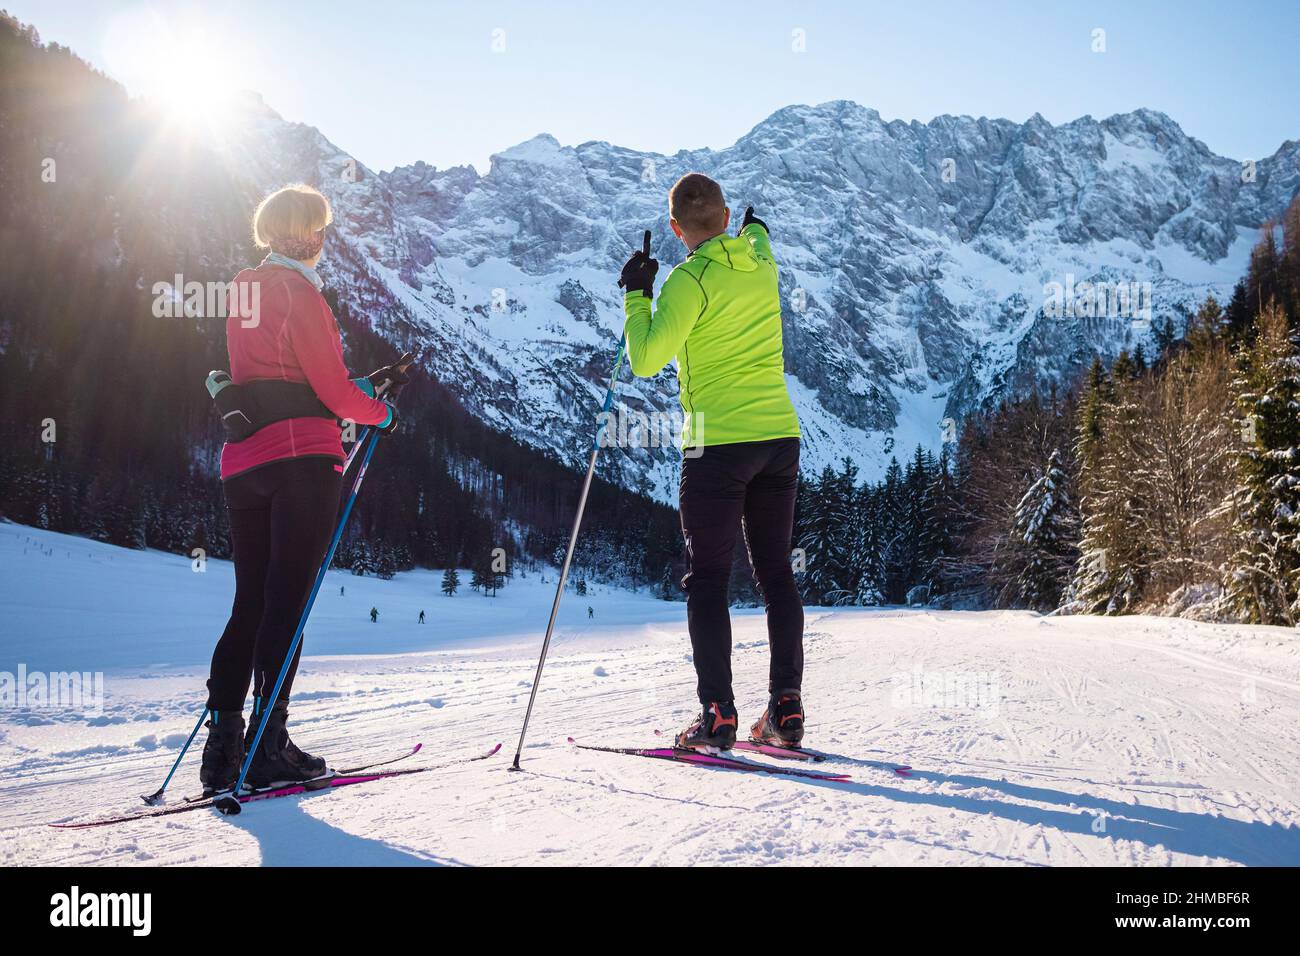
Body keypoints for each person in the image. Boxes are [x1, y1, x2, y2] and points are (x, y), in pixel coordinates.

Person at [200, 184, 406, 795]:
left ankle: (223, 752)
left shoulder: (244, 291)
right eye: (320, 230)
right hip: (304, 463)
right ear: (310, 235)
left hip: (245, 464)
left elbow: (273, 379)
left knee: (251, 605)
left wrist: (353, 389)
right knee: (288, 604)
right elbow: (337, 396)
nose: (322, 240)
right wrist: (383, 415)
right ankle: (269, 748)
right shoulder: (302, 294)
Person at [619, 173, 805, 751]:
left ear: (675, 231)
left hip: (715, 445)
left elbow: (647, 359)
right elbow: (761, 240)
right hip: (779, 436)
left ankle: (718, 714)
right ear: (727, 219)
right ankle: (786, 711)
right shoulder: (763, 262)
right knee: (777, 575)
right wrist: (754, 233)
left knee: (709, 581)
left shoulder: (687, 280)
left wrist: (636, 294)